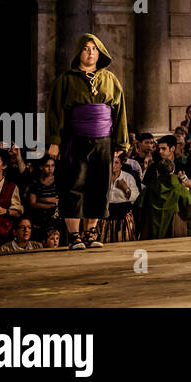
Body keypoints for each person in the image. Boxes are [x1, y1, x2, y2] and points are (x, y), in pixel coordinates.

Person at [45, 34, 129, 250]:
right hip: (75, 139)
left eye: (94, 48)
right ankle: (74, 236)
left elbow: (119, 113)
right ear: (78, 53)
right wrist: (54, 141)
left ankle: (91, 232)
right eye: (86, 48)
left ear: (99, 52)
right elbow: (55, 112)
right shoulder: (66, 79)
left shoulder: (110, 79)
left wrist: (120, 144)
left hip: (103, 141)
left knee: (98, 186)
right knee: (73, 185)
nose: (90, 52)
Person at [135, 158, 191, 239]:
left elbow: (138, 209)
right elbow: (189, 211)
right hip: (174, 231)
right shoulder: (180, 189)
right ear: (173, 171)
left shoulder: (148, 188)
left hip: (150, 231)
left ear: (157, 172)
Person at [103, 152, 139, 243]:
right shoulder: (103, 177)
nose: (113, 165)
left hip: (123, 214)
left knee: (123, 240)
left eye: (117, 163)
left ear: (121, 165)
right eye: (111, 162)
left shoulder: (128, 177)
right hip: (107, 214)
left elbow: (136, 197)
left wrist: (125, 188)